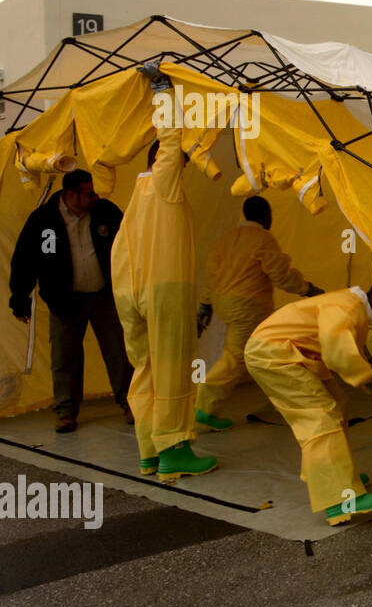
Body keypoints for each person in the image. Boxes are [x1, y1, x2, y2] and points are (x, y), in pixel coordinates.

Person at [112, 128, 217, 481]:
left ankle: (149, 452)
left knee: (145, 369)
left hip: (130, 289)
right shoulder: (162, 184)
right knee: (172, 369)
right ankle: (174, 451)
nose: (186, 163)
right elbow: (171, 143)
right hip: (165, 289)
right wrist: (164, 94)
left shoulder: (136, 197)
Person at [244, 286, 372, 525]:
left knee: (338, 403)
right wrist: (364, 377)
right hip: (276, 354)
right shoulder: (350, 306)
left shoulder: (348, 302)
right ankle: (339, 499)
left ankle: (336, 477)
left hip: (285, 351)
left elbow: (329, 340)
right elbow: (334, 341)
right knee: (320, 418)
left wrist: (361, 376)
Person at [8, 170, 134, 432]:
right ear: (70, 194)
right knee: (65, 358)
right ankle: (66, 411)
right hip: (64, 300)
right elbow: (24, 260)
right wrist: (20, 298)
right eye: (88, 193)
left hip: (104, 296)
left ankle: (131, 403)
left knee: (119, 352)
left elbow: (129, 244)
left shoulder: (105, 213)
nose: (94, 197)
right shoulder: (43, 220)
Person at [194, 196, 322, 429]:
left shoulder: (226, 240)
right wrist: (307, 289)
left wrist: (205, 305)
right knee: (238, 357)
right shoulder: (263, 239)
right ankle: (203, 409)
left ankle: (286, 400)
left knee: (265, 349)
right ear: (264, 214)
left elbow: (211, 274)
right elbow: (279, 273)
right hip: (247, 304)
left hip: (223, 301)